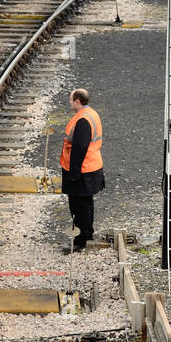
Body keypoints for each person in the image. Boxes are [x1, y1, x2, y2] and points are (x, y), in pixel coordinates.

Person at [61, 88, 105, 253]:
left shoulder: (83, 120)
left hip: (83, 170)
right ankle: (86, 235)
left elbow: (79, 148)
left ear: (78, 101)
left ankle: (82, 240)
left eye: (71, 99)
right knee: (86, 205)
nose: (69, 102)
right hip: (91, 167)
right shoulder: (91, 114)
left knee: (79, 206)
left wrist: (74, 174)